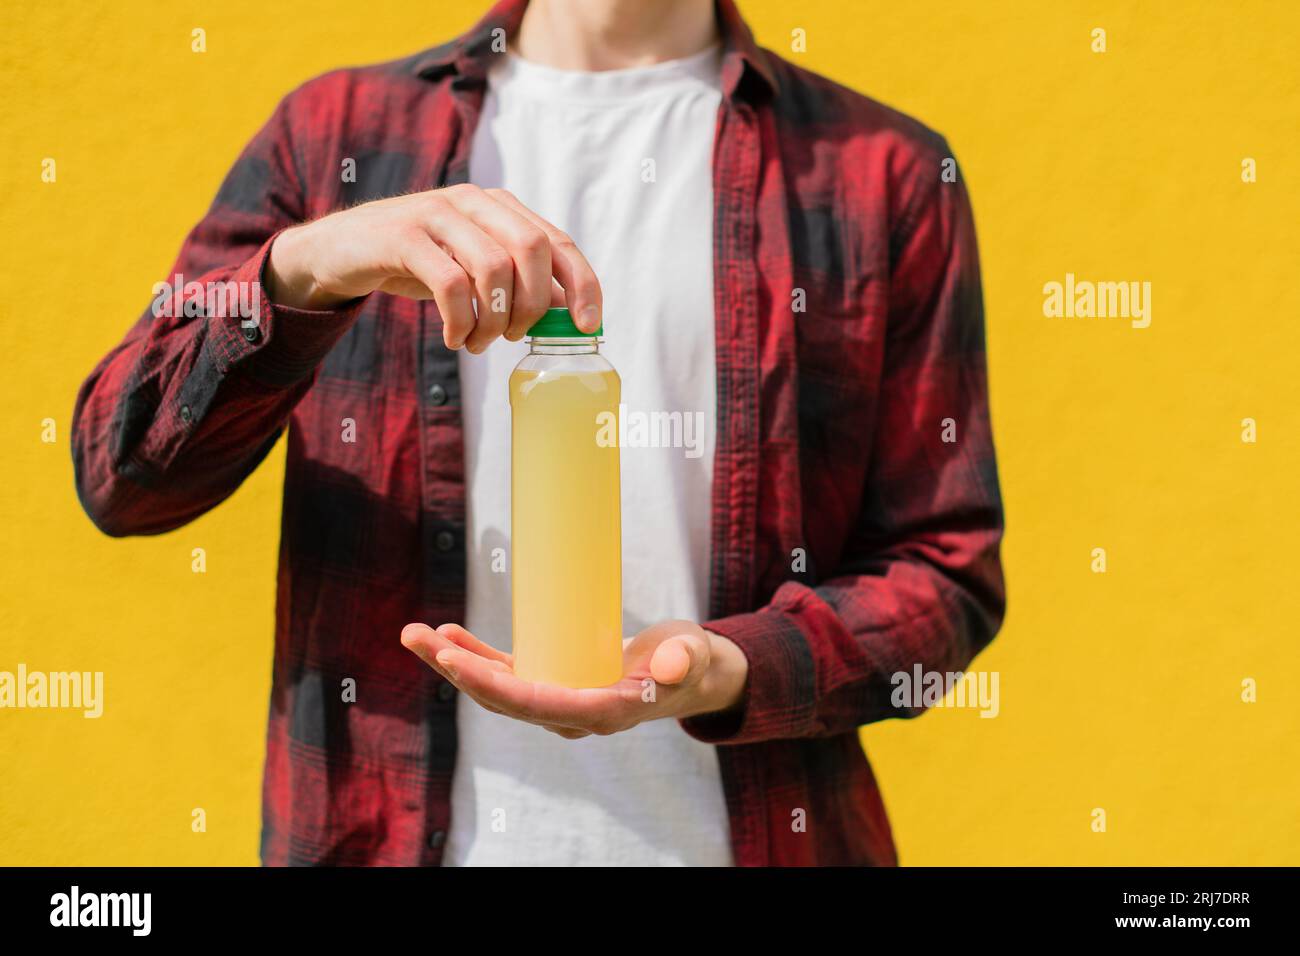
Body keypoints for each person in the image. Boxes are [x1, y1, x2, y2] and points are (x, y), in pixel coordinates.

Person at [72, 0, 1005, 866]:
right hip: (381, 836)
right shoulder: (336, 136)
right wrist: (307, 269)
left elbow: (944, 575)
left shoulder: (886, 172)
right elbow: (124, 476)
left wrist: (730, 667)